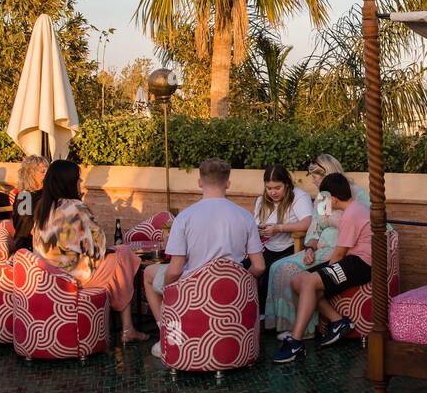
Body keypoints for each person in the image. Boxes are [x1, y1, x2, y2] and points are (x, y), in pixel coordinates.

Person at [144, 158, 265, 359]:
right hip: (230, 290)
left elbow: (175, 270)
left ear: (199, 182)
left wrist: (168, 292)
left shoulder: (185, 217)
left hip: (192, 290)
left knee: (149, 274)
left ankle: (167, 333)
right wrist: (240, 280)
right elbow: (259, 267)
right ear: (228, 183)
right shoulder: (245, 216)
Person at [30, 159, 147, 346]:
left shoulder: (43, 209)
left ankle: (127, 327)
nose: (80, 183)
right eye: (78, 179)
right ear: (69, 182)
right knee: (123, 254)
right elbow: (98, 248)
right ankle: (128, 327)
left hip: (49, 277)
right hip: (73, 278)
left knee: (119, 260)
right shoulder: (74, 208)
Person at [264, 154, 371, 339]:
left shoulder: (354, 195)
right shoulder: (323, 198)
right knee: (277, 267)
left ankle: (302, 331)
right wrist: (310, 248)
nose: (312, 180)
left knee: (289, 270)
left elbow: (366, 223)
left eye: (315, 176)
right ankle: (284, 326)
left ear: (327, 173)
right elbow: (316, 227)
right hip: (320, 248)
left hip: (342, 248)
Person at [251, 164, 314, 316]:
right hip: (266, 246)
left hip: (291, 247)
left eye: (277, 188)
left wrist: (279, 228)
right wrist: (260, 229)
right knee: (245, 267)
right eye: (269, 188)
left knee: (269, 271)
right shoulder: (262, 200)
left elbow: (308, 222)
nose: (273, 192)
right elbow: (254, 223)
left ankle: (265, 316)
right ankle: (250, 311)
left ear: (286, 184)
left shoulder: (298, 196)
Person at [8, 155, 48, 254]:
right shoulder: (25, 197)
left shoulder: (48, 192)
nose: (47, 174)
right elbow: (23, 228)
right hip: (28, 247)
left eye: (48, 170)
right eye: (43, 171)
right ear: (30, 174)